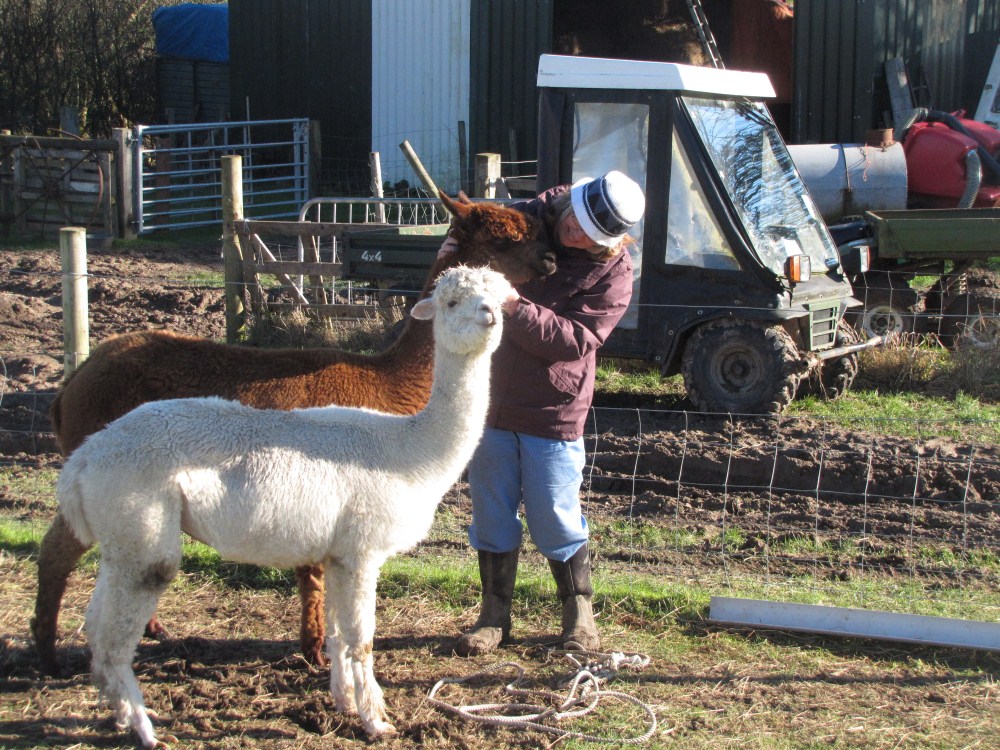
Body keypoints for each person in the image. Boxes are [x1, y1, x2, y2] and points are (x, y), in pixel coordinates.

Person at [446, 170, 645, 656]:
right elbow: (472, 228)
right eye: (574, 221)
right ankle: (494, 617)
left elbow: (575, 340)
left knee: (554, 514)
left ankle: (579, 614)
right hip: (488, 395)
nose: (573, 235)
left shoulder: (614, 274)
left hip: (553, 406)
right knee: (491, 510)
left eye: (588, 235)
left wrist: (513, 304)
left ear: (610, 241)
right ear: (571, 202)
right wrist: (449, 254)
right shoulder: (532, 215)